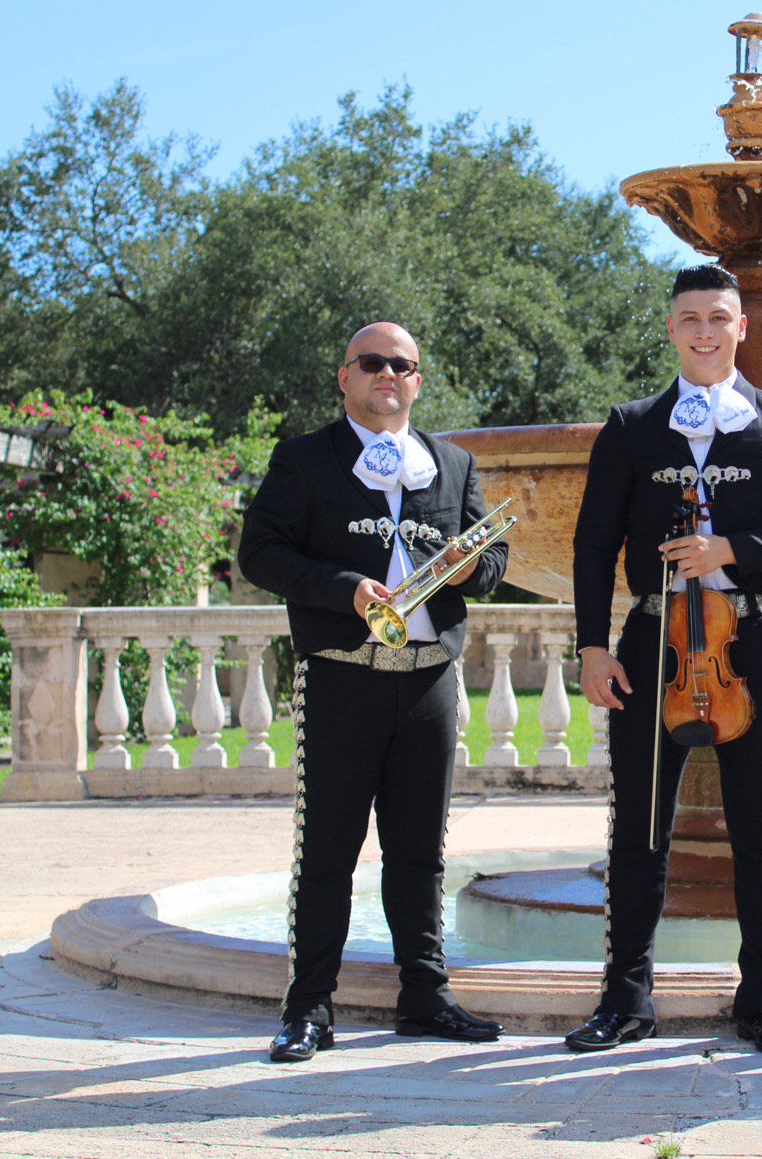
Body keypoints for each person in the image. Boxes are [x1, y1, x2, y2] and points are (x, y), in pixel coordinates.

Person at [565, 264, 762, 1057]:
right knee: (639, 832)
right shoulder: (632, 425)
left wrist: (734, 547)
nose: (705, 331)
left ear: (741, 328)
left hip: (750, 643)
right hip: (651, 641)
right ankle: (625, 1000)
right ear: (671, 328)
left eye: (719, 317)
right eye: (690, 318)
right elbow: (593, 544)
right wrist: (591, 645)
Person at [239, 321, 510, 1063]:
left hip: (428, 680)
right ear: (345, 377)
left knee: (420, 852)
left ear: (418, 381)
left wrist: (467, 572)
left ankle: (424, 997)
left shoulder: (452, 464)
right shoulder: (304, 459)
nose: (387, 373)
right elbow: (258, 552)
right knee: (328, 848)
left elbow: (496, 556)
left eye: (403, 364)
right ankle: (308, 1008)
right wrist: (343, 588)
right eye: (372, 363)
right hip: (341, 676)